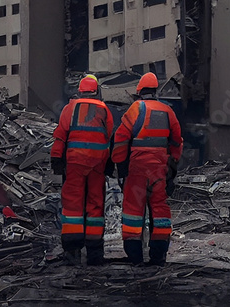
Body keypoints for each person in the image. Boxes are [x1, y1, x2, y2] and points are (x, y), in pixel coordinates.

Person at [112, 72, 183, 266]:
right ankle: (158, 255)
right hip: (159, 169)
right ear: (155, 91)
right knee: (159, 209)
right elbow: (177, 141)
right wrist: (172, 167)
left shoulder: (136, 109)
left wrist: (121, 166)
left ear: (140, 91)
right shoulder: (167, 111)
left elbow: (120, 138)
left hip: (137, 168)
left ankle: (135, 256)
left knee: (134, 210)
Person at [51, 74, 115, 265]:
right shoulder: (104, 109)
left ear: (79, 91)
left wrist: (56, 159)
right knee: (95, 204)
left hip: (75, 163)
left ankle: (72, 252)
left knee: (72, 206)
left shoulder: (69, 108)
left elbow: (60, 135)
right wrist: (110, 162)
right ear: (96, 91)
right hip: (97, 164)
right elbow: (109, 137)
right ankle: (95, 253)